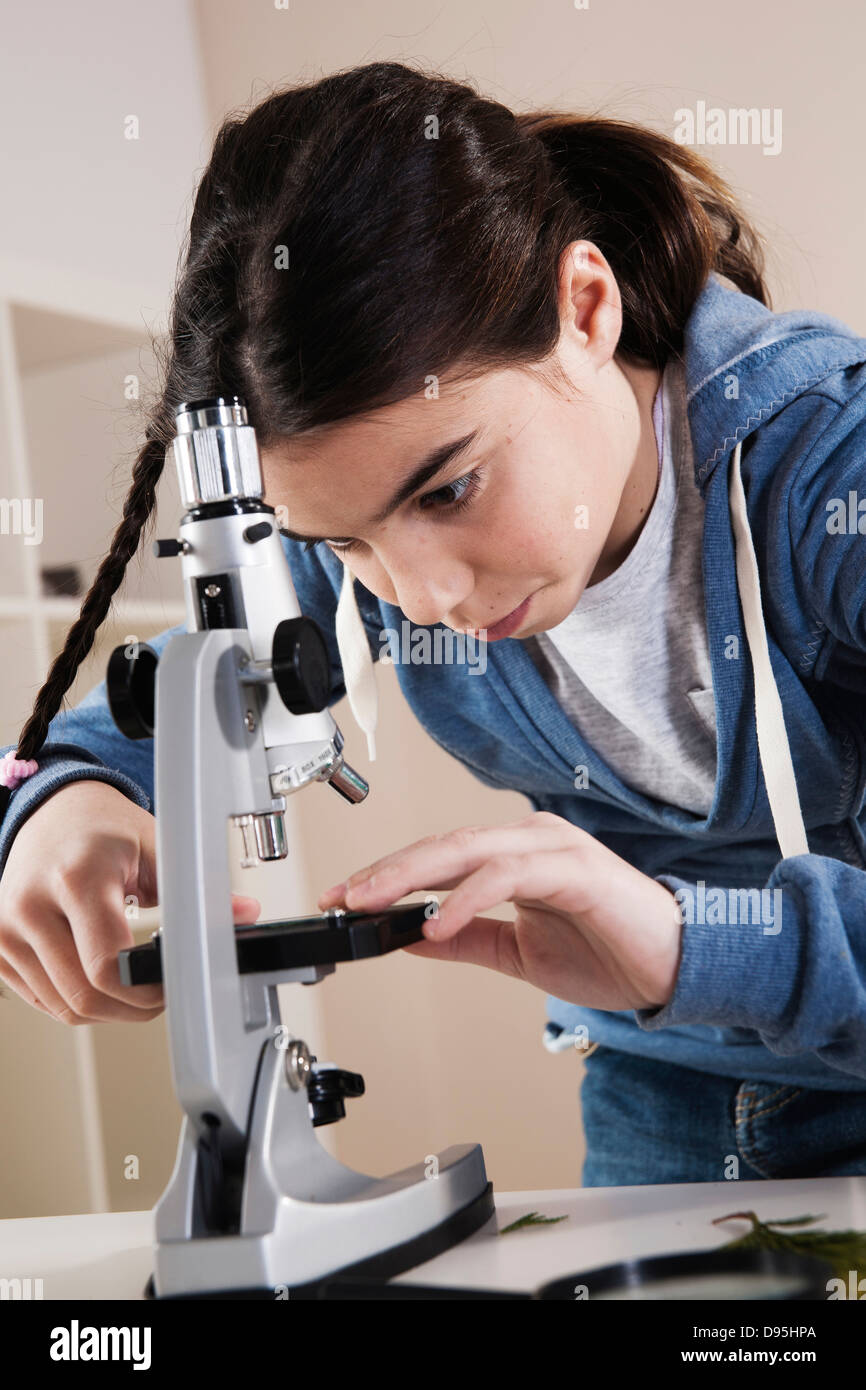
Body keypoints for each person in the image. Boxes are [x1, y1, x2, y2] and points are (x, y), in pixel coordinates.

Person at [1, 61, 865, 1186]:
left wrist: (687, 939)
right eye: (340, 542)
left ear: (585, 306)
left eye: (446, 489)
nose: (422, 597)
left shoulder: (825, 481)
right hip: (660, 1092)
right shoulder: (382, 556)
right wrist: (60, 805)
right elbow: (184, 684)